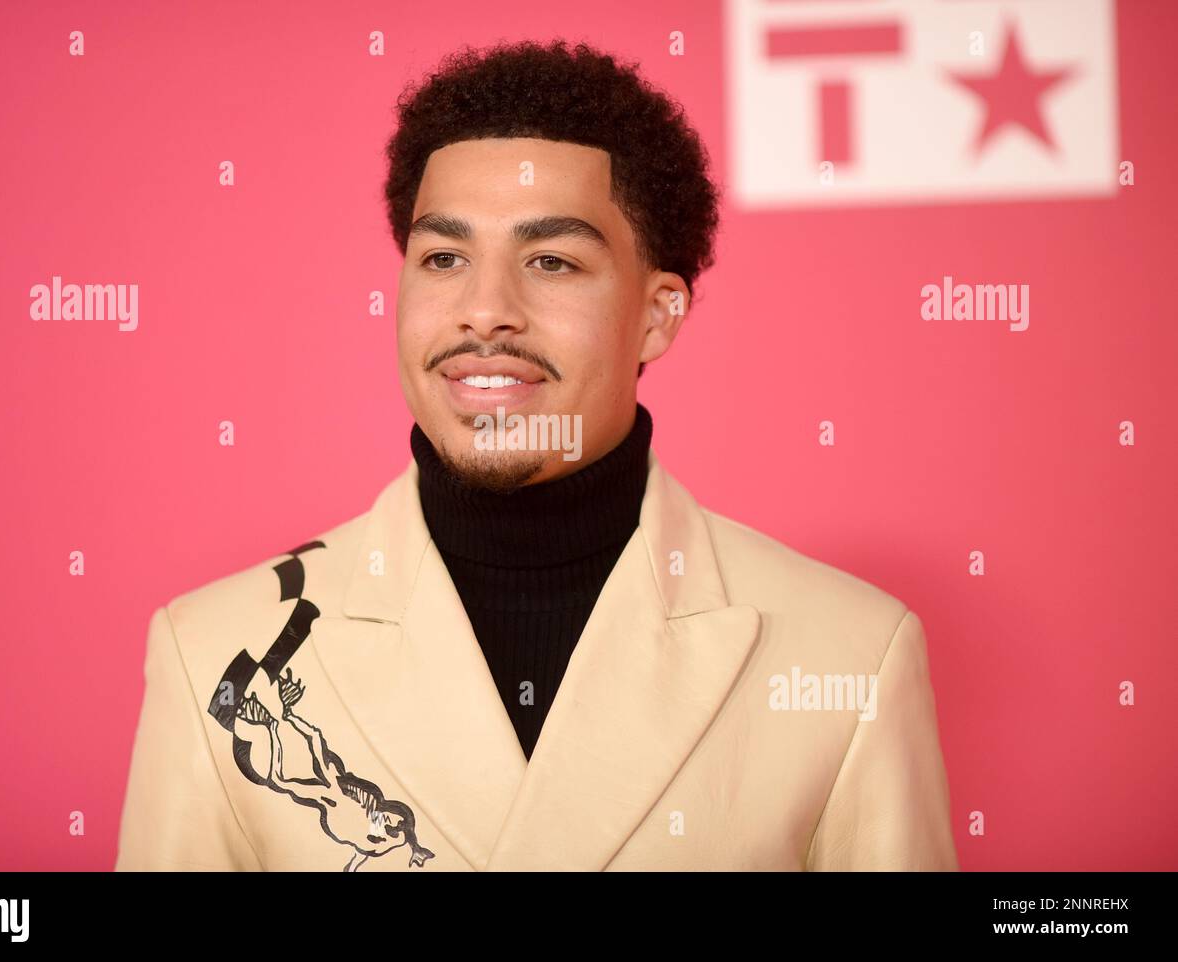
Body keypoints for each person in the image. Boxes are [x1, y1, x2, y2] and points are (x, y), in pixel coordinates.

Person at [115, 38, 958, 872]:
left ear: (658, 314)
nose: (484, 312)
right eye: (444, 257)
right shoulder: (214, 651)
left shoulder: (849, 655)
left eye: (551, 260)